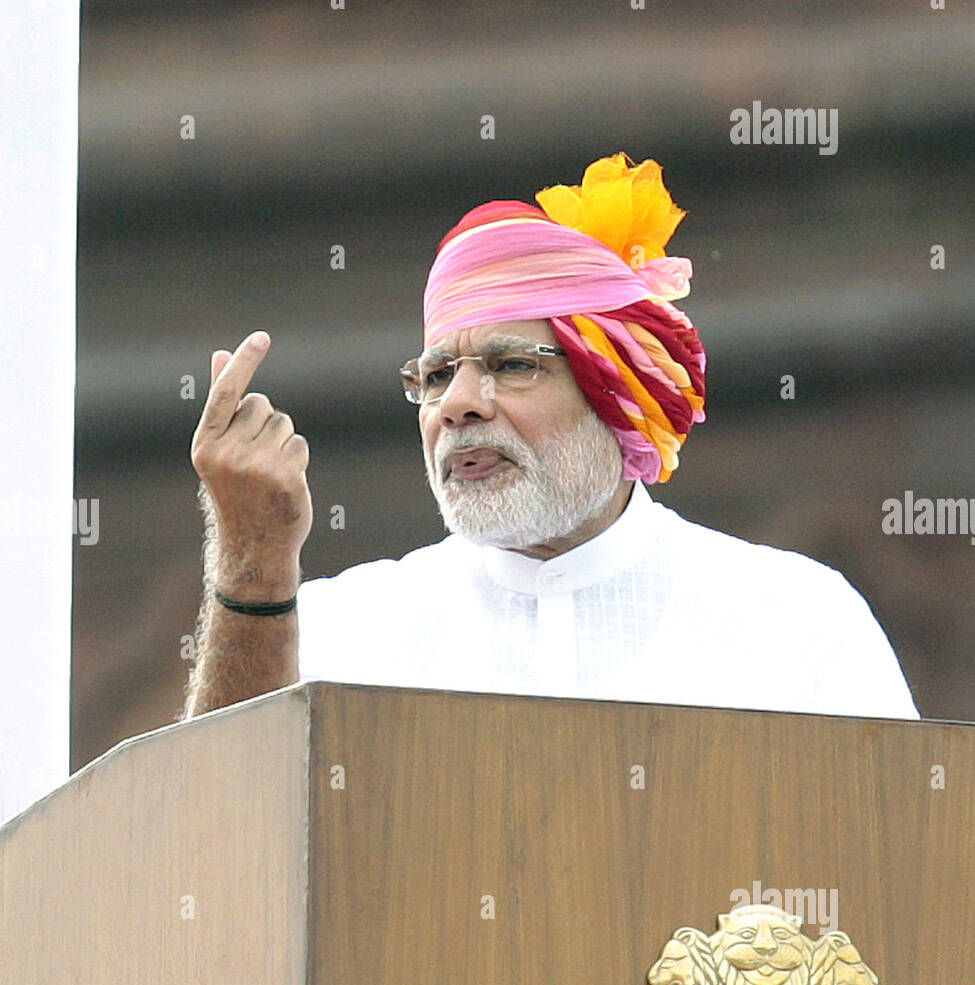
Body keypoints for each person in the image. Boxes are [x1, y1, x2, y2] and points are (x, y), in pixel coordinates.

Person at [182, 155, 919, 722]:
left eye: (510, 365)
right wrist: (254, 565)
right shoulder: (345, 627)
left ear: (617, 390)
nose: (459, 404)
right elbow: (212, 848)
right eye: (436, 375)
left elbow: (902, 878)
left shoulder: (794, 620)